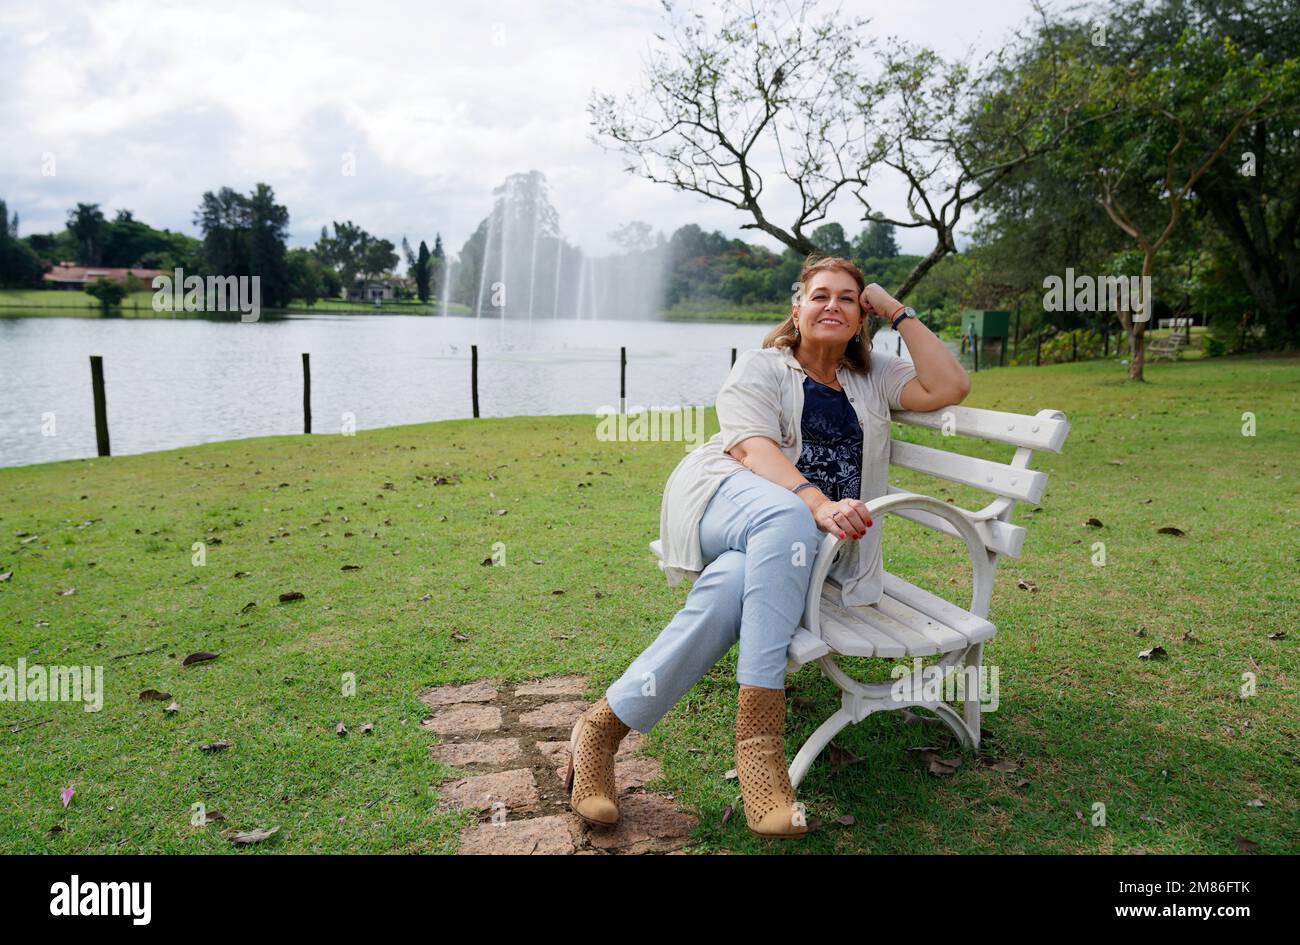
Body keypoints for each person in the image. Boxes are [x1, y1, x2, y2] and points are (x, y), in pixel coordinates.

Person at [563, 255, 971, 837]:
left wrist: (898, 311)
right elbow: (754, 449)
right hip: (725, 501)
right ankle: (760, 753)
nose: (833, 305)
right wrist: (818, 502)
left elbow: (951, 385)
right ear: (797, 310)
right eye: (820, 295)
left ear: (862, 317)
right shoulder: (761, 368)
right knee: (784, 514)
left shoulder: (874, 376)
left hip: (799, 542)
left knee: (731, 586)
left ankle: (600, 730)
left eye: (849, 298)